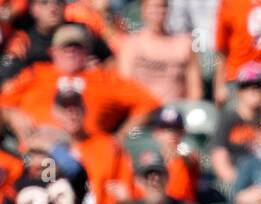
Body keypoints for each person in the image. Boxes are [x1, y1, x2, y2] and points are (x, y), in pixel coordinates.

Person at [0, 24, 159, 139]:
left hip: (88, 151)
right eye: (65, 46)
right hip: (39, 147)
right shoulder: (36, 73)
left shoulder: (105, 77)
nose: (71, 51)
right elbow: (3, 103)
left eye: (77, 46)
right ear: (52, 52)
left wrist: (123, 135)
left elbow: (148, 102)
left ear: (88, 51)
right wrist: (12, 115)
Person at [116, 0, 203, 104]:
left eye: (162, 7)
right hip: (141, 110)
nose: (158, 11)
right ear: (143, 9)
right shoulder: (132, 44)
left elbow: (195, 91)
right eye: (153, 7)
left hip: (175, 112)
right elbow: (124, 84)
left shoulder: (184, 44)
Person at [211, 62, 261, 189]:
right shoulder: (228, 118)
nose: (254, 90)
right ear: (239, 91)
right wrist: (238, 183)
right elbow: (219, 155)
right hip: (236, 178)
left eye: (259, 85)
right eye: (247, 85)